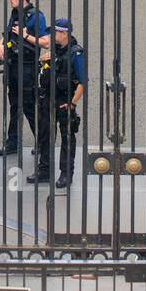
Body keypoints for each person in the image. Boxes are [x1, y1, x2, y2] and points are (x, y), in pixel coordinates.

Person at [0, 0, 49, 158]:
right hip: (13, 66)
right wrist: (0, 43)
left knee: (28, 106)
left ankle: (43, 142)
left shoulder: (36, 17)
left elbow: (46, 42)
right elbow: (9, 34)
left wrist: (26, 36)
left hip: (27, 67)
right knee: (15, 106)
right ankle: (12, 143)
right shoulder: (15, 14)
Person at [32, 18, 87, 188]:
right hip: (47, 99)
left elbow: (83, 82)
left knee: (67, 138)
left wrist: (72, 104)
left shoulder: (75, 53)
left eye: (55, 32)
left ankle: (66, 173)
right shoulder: (55, 50)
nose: (52, 35)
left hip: (64, 101)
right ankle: (44, 170)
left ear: (64, 34)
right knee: (45, 135)